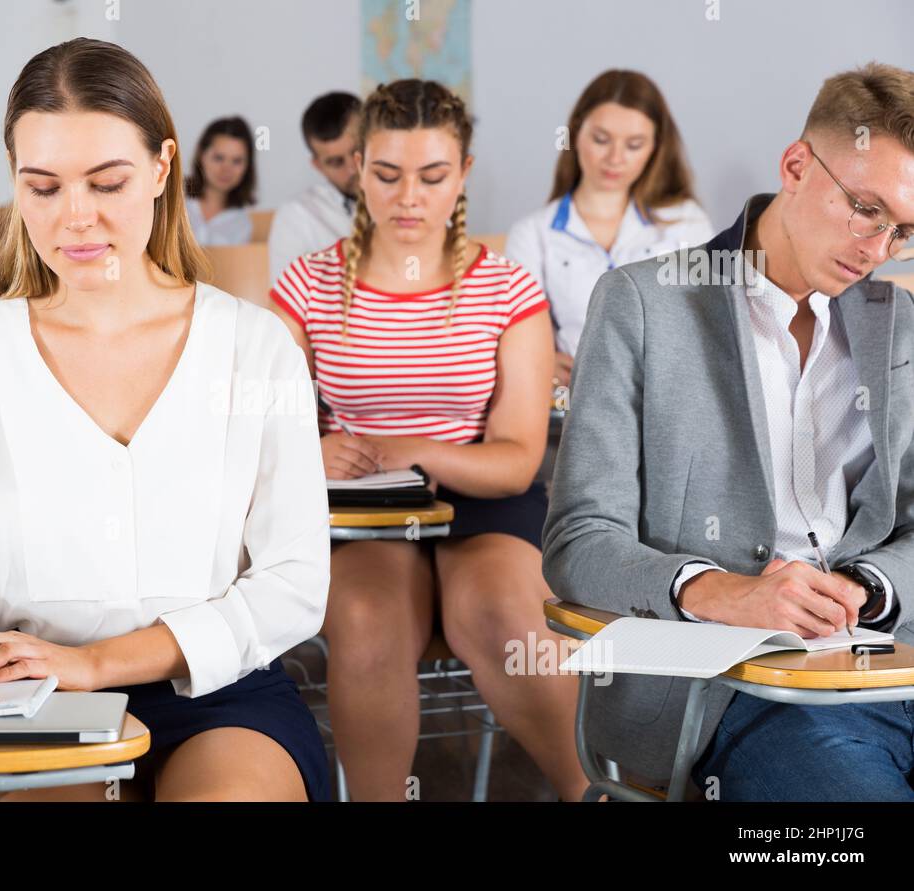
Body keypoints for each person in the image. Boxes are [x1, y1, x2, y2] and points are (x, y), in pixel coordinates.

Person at [0, 38, 332, 802]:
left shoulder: (256, 349)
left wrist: (97, 663)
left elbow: (293, 581)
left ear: (161, 167)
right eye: (44, 187)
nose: (75, 219)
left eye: (106, 182)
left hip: (215, 690)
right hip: (28, 695)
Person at [542, 63, 914, 801]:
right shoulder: (645, 305)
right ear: (797, 166)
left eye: (904, 230)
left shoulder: (899, 324)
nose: (878, 249)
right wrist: (720, 591)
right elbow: (580, 542)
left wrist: (869, 587)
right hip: (734, 692)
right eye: (866, 209)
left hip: (888, 664)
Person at [271, 79, 588, 802]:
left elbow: (515, 460)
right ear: (357, 167)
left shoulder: (508, 289)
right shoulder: (308, 285)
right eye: (385, 174)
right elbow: (259, 428)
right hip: (362, 509)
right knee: (364, 617)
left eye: (432, 176)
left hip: (479, 500)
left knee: (504, 613)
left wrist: (410, 448)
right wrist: (305, 450)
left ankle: (589, 791)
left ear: (464, 175)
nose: (408, 196)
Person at [505, 70, 713, 389]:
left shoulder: (687, 222)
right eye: (601, 140)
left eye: (634, 144)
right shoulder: (532, 235)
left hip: (668, 400)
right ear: (575, 134)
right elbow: (525, 349)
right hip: (574, 405)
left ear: (656, 148)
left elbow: (705, 330)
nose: (615, 158)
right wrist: (541, 362)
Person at [267, 91, 361, 284]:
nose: (352, 168)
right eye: (336, 162)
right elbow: (285, 300)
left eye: (358, 151)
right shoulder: (297, 216)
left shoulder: (416, 197)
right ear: (318, 165)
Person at [184, 116, 255, 245]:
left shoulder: (242, 224)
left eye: (237, 161)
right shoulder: (173, 202)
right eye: (218, 158)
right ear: (201, 155)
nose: (226, 169)